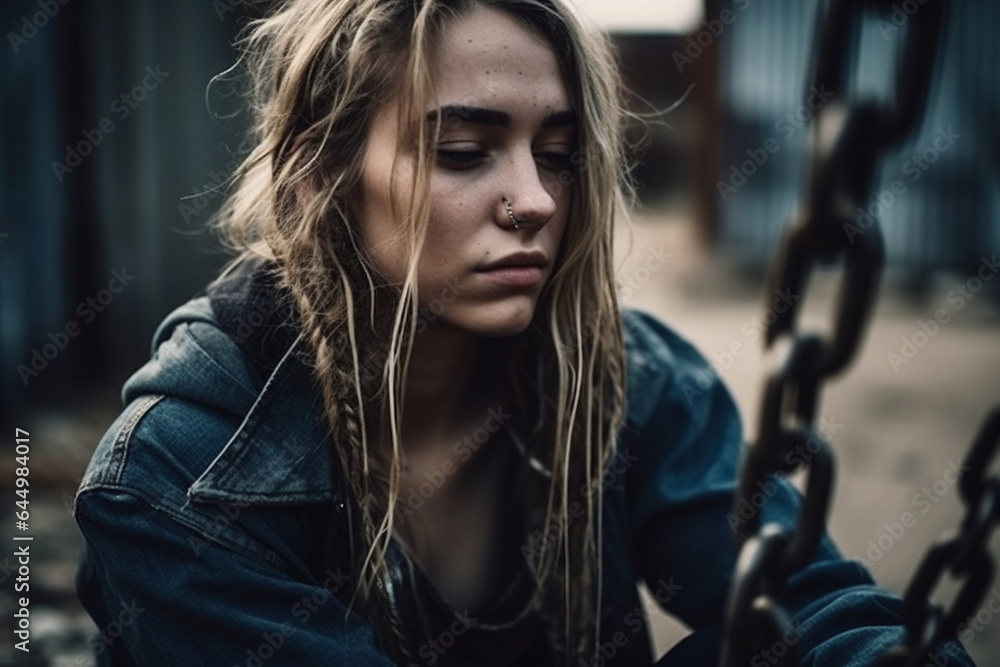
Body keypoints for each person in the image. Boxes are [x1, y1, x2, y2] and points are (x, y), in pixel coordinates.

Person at [72, 1, 978, 665]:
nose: (537, 201)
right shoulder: (176, 481)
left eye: (558, 153)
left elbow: (807, 600)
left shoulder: (630, 376)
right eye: (464, 151)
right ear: (320, 177)